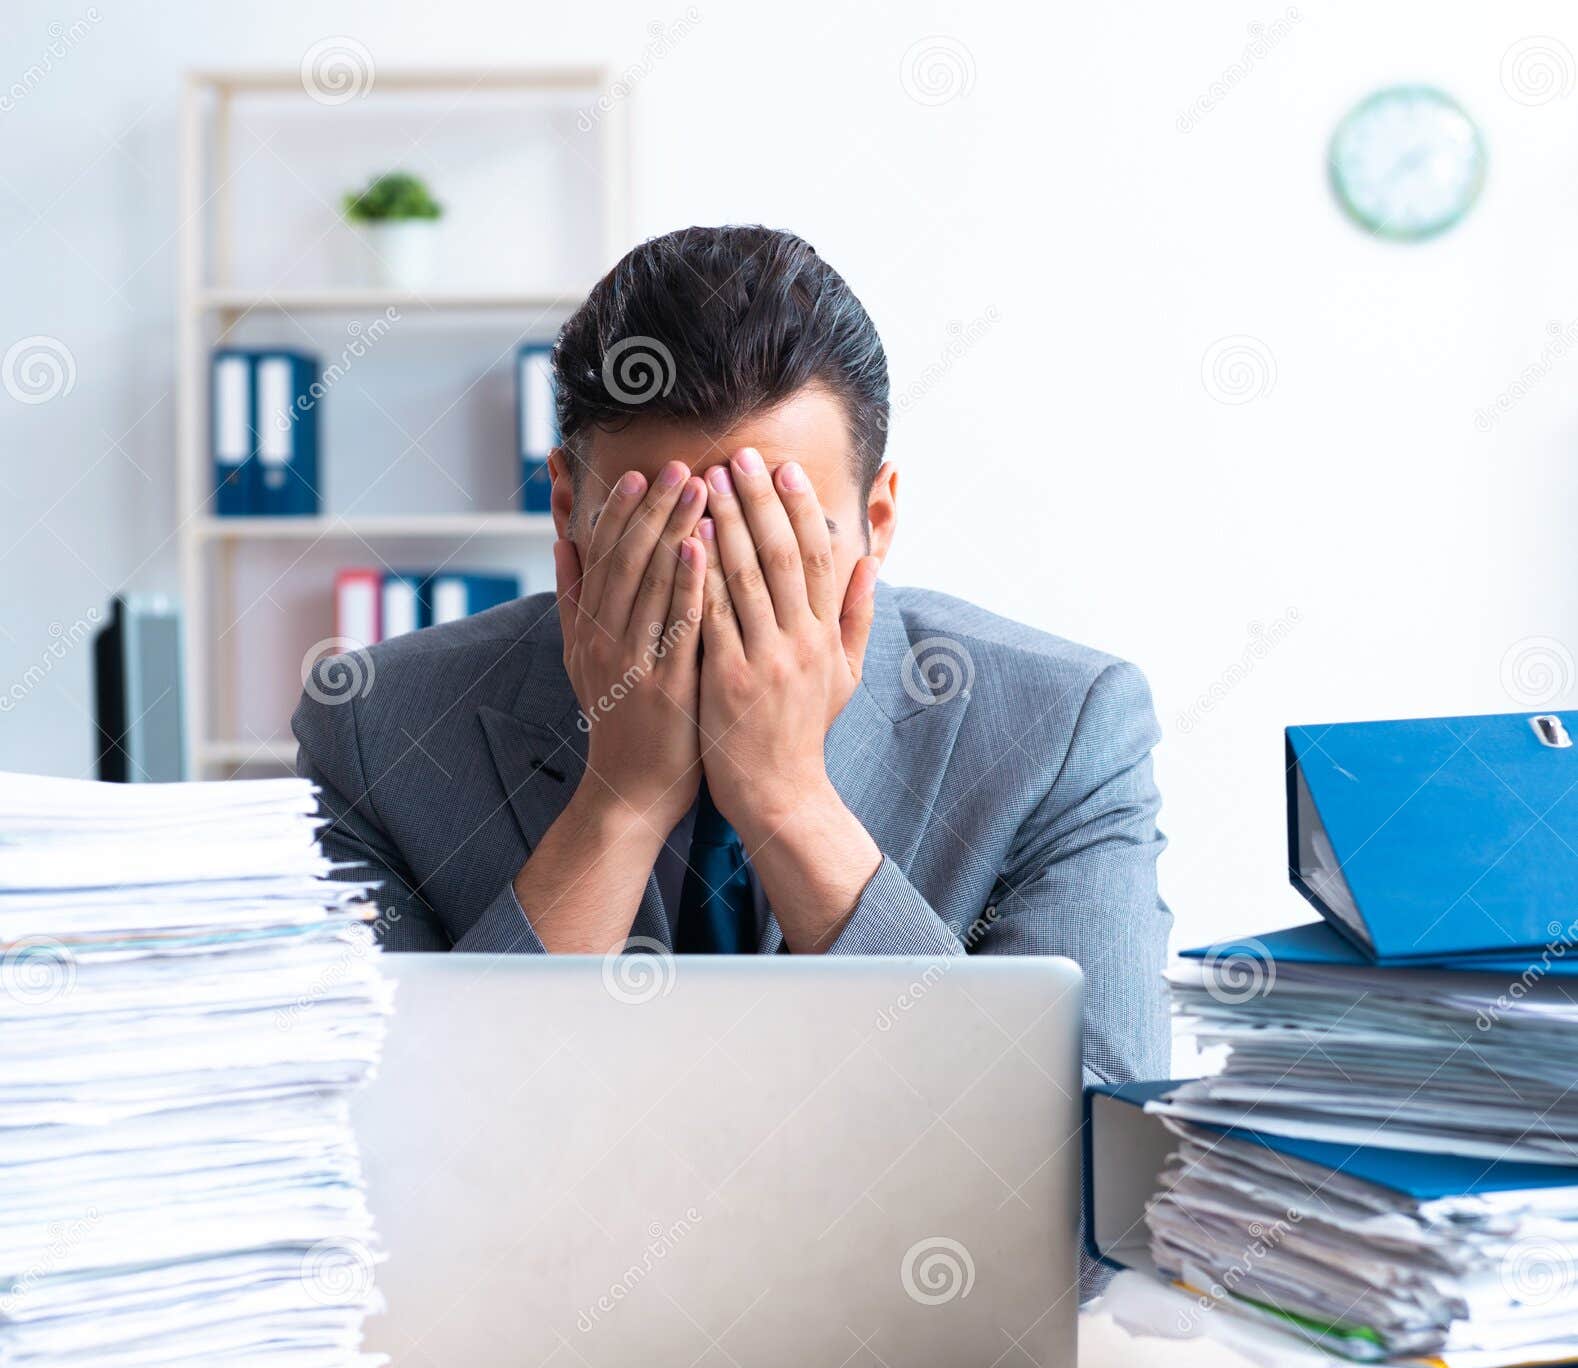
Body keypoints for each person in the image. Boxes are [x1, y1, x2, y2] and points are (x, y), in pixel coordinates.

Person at [294, 224, 1171, 1084]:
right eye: (663, 538)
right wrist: (618, 805)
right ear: (567, 510)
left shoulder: (1062, 731)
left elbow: (1099, 1164)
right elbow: (366, 1143)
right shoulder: (376, 729)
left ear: (878, 521)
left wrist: (789, 799)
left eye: (781, 542)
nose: (718, 592)